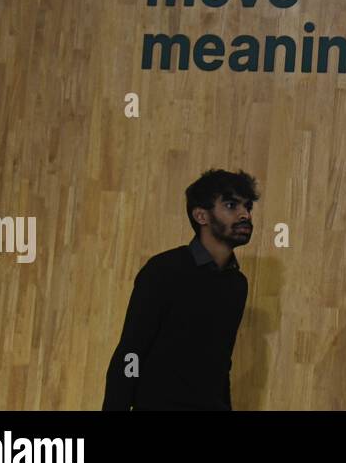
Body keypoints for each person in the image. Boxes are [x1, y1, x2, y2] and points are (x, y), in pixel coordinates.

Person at [102, 169, 258, 410]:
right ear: (201, 215)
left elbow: (220, 363)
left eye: (247, 207)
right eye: (231, 205)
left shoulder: (237, 284)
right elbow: (131, 351)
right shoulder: (165, 270)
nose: (244, 214)